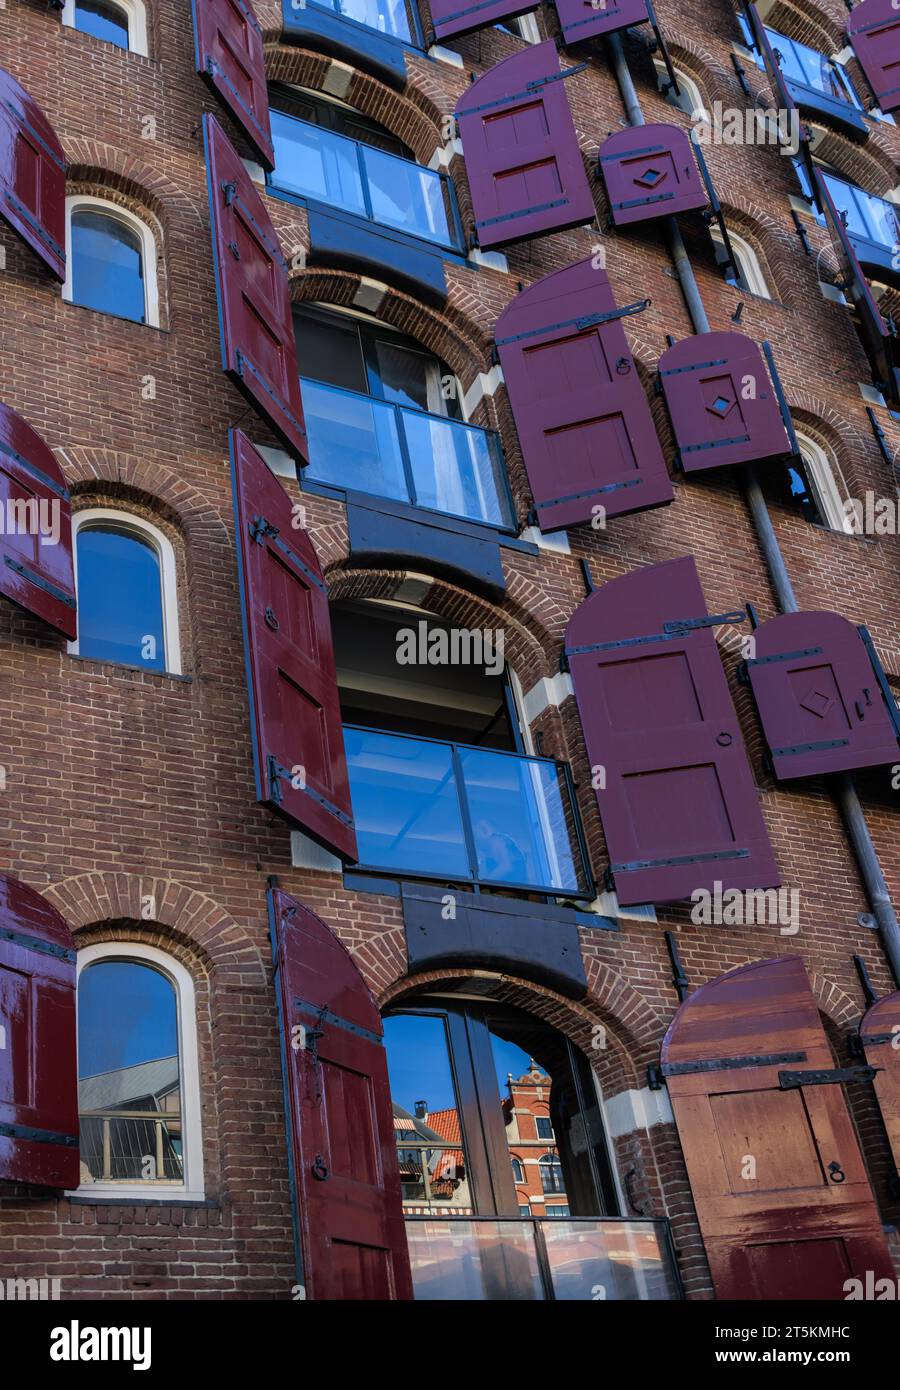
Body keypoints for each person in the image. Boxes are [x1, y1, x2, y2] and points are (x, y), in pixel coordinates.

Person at [474, 820, 528, 884]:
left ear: (485, 831)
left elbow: (506, 866)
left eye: (480, 828)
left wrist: (483, 884)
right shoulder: (485, 851)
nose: (476, 836)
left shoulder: (496, 840)